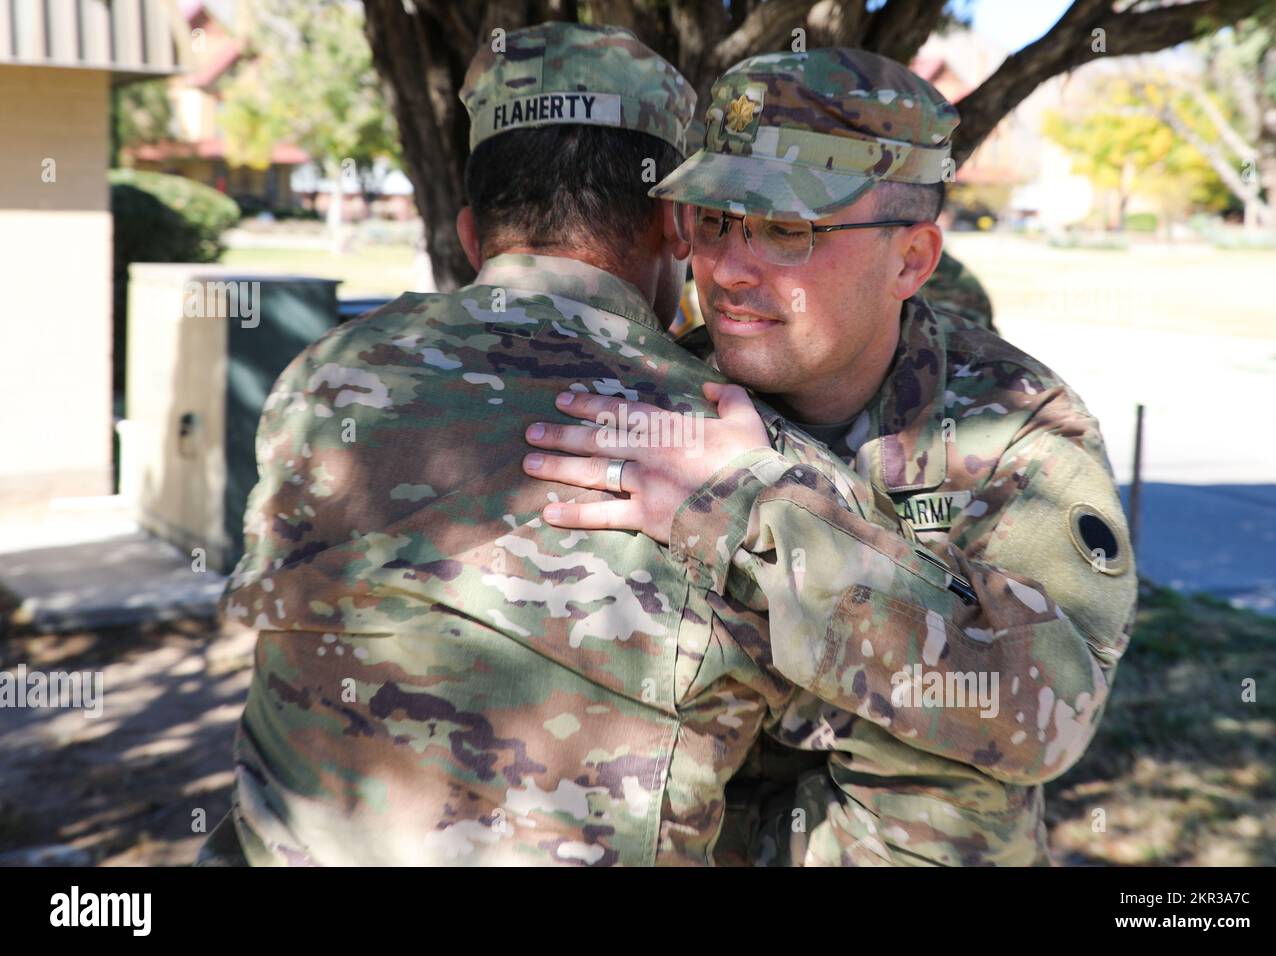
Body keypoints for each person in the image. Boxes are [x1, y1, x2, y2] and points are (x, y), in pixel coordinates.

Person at [196, 23, 900, 867]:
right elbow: (917, 732)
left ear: (467, 233)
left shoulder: (315, 385)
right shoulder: (735, 460)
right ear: (675, 227)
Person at [522, 48, 1138, 865]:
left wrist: (757, 510)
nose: (730, 271)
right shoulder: (651, 400)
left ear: (912, 260)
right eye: (711, 223)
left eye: (788, 231)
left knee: (970, 805)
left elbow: (1044, 712)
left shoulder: (1011, 429)